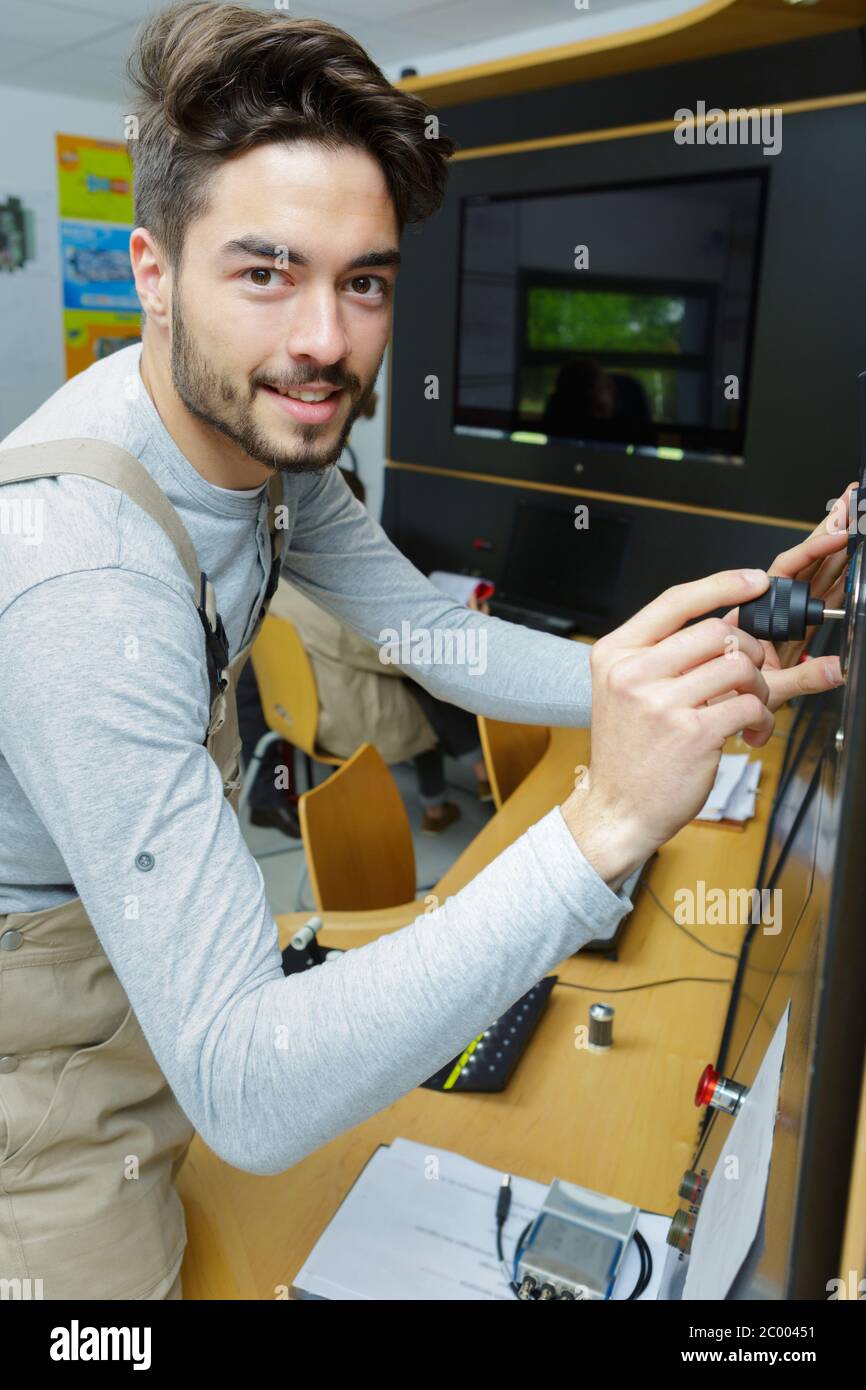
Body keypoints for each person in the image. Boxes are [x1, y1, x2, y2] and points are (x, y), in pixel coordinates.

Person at [0, 1, 849, 1301]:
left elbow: (421, 635)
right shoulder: (80, 577)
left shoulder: (274, 449)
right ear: (155, 273)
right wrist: (602, 825)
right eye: (264, 271)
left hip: (147, 960)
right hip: (35, 1062)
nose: (325, 343)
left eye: (365, 282)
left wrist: (672, 670)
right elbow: (251, 1092)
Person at [270, 468, 492, 835]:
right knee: (431, 694)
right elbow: (388, 655)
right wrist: (459, 626)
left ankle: (466, 780)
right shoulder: (325, 597)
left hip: (299, 710)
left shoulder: (275, 577)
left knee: (423, 697)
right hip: (347, 717)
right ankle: (464, 785)